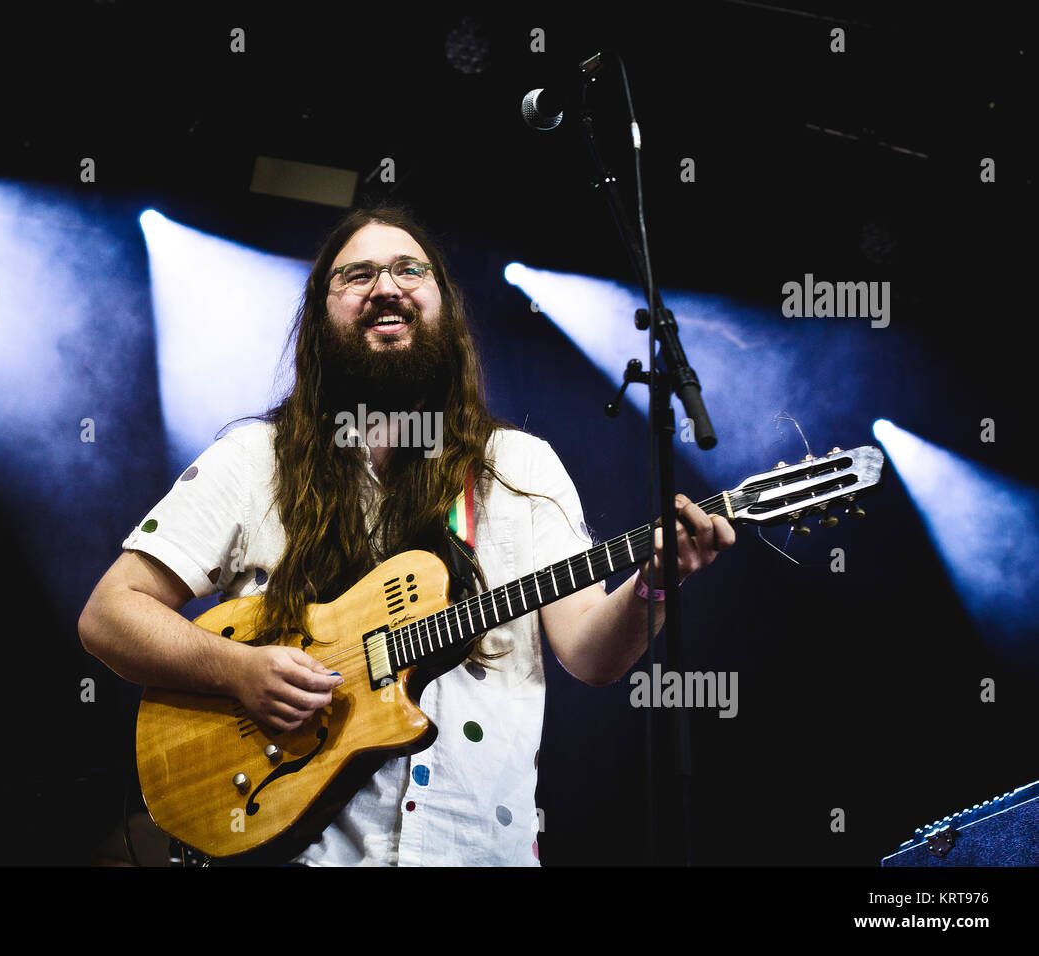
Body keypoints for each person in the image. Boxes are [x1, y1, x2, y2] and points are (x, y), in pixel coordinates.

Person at [78, 205, 735, 865]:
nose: (385, 287)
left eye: (408, 270)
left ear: (444, 308)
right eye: (356, 275)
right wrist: (241, 670)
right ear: (321, 315)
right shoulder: (256, 458)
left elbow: (591, 654)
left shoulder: (520, 467)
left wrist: (655, 581)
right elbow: (110, 615)